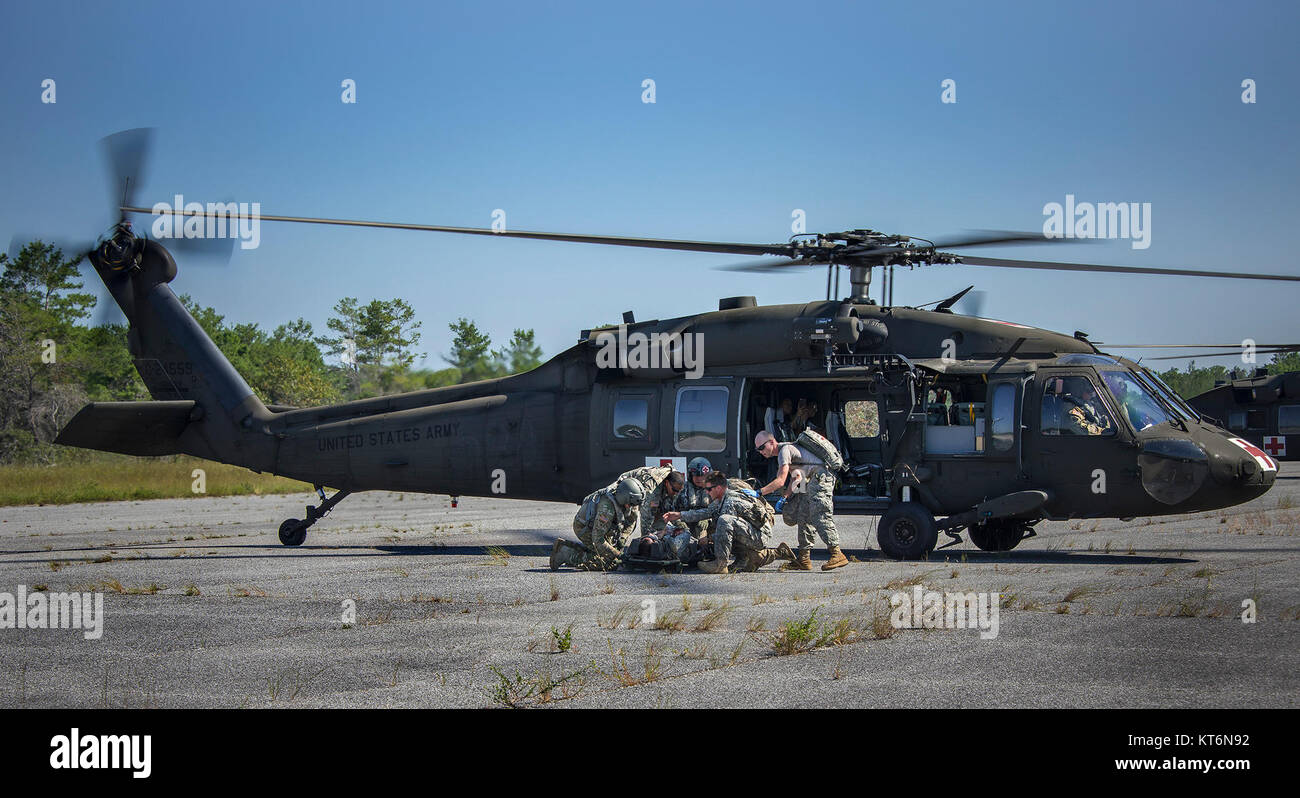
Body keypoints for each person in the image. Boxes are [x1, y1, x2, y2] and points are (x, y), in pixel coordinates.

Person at [662, 471, 792, 574]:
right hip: (751, 532)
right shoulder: (722, 498)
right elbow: (706, 512)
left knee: (723, 521)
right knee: (722, 527)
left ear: (718, 488)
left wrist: (708, 539)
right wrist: (679, 515)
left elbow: (725, 531)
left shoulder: (730, 501)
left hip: (759, 536)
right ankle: (747, 559)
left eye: (709, 489)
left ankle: (720, 564)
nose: (706, 492)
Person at [754, 429, 847, 571]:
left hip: (820, 476)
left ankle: (837, 553)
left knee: (819, 514)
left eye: (762, 447)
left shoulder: (784, 451)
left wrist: (758, 492)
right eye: (758, 450)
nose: (761, 452)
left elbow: (780, 481)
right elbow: (797, 477)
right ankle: (804, 558)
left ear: (772, 442)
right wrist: (785, 497)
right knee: (804, 515)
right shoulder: (788, 450)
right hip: (811, 478)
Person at [551, 478, 645, 571]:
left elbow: (631, 521)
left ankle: (567, 548)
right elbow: (597, 539)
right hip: (585, 529)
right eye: (630, 505)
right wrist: (617, 554)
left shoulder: (630, 502)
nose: (632, 507)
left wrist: (623, 537)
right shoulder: (607, 509)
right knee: (608, 562)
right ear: (624, 498)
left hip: (602, 528)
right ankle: (566, 554)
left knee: (611, 555)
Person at [665, 457, 715, 538]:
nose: (699, 479)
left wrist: (708, 519)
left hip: (707, 528)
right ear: (691, 475)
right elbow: (670, 509)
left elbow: (718, 510)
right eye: (696, 476)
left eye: (702, 476)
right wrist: (678, 522)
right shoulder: (681, 488)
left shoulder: (715, 490)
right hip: (684, 525)